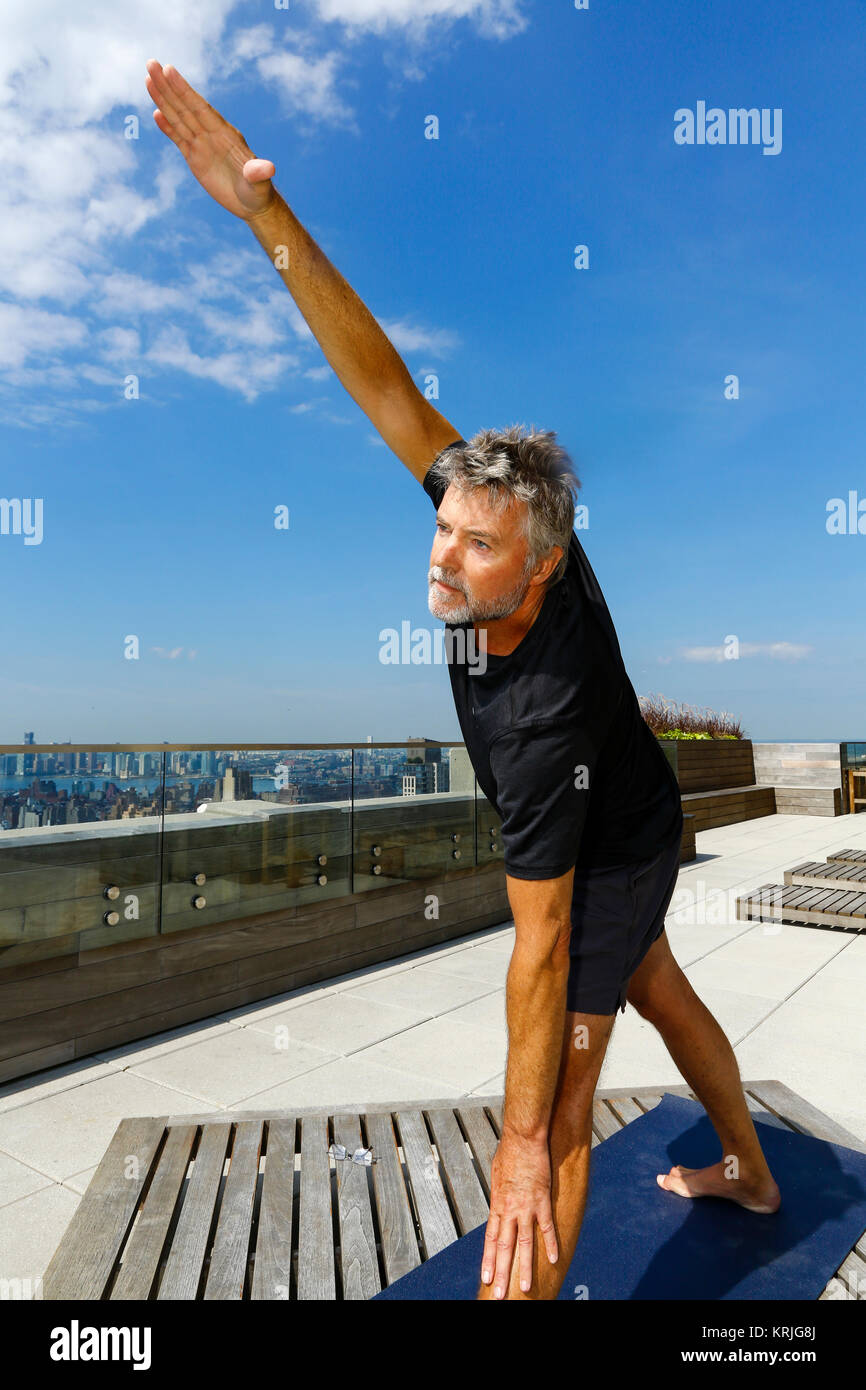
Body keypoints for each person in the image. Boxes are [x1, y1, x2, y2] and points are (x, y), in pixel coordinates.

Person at [145, 59, 782, 1302]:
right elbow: (379, 378)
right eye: (442, 524)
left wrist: (514, 1144)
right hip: (617, 803)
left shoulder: (541, 717)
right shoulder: (495, 526)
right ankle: (753, 1175)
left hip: (611, 839)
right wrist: (265, 216)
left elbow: (536, 950)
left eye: (473, 546)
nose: (441, 553)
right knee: (656, 989)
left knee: (557, 1110)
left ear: (538, 571)